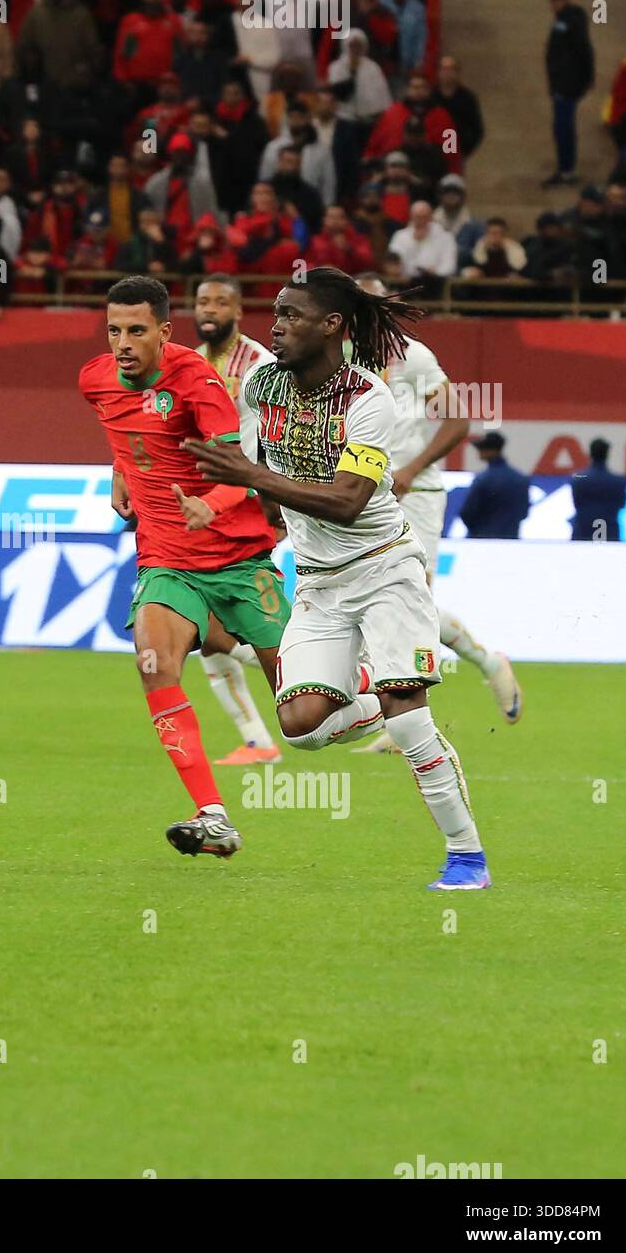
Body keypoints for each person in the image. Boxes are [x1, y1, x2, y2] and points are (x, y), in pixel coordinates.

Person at [184, 267, 492, 891]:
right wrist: (221, 520)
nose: (276, 326)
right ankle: (383, 696)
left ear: (332, 325)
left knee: (411, 723)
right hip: (319, 583)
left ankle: (467, 857)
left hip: (384, 567)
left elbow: (348, 499)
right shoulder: (264, 386)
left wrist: (251, 477)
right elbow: (259, 484)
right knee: (300, 728)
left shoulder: (369, 397)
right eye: (275, 313)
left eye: (291, 315)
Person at [79, 276, 292, 862]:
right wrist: (120, 471)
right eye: (114, 330)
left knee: (307, 719)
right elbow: (123, 434)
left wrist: (211, 505)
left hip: (236, 556)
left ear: (165, 332)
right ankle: (213, 814)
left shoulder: (198, 381)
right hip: (167, 559)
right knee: (153, 664)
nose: (122, 343)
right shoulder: (95, 379)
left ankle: (368, 684)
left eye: (136, 331)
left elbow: (236, 466)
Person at [348, 274, 522, 753]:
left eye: (375, 305)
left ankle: (483, 666)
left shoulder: (413, 357)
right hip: (363, 493)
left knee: (412, 603)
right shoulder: (341, 359)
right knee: (376, 603)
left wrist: (410, 468)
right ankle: (406, 715)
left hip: (417, 492)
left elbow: (459, 420)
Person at [189, 276, 285, 766]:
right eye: (203, 300)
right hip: (202, 507)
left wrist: (276, 500)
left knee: (214, 633)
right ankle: (256, 741)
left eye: (220, 301)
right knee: (209, 638)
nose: (210, 309)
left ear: (239, 310)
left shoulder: (262, 366)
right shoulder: (187, 363)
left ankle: (335, 674)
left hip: (251, 507)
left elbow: (280, 431)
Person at [542, 0, 594, 186]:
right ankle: (566, 169)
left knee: (563, 127)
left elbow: (584, 49)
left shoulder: (571, 20)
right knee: (562, 126)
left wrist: (587, 77)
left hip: (566, 84)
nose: (552, 4)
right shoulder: (564, 19)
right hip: (562, 83)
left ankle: (566, 171)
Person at [457, 431, 530, 540]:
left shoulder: (483, 479)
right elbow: (523, 513)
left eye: (482, 448)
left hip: (481, 539)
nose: (479, 452)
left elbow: (467, 513)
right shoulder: (520, 478)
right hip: (510, 540)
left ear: (491, 451)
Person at [570, 438, 626, 543]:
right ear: (607, 454)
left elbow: (576, 503)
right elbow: (622, 504)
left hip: (582, 532)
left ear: (590, 454)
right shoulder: (619, 482)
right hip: (609, 532)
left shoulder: (578, 480)